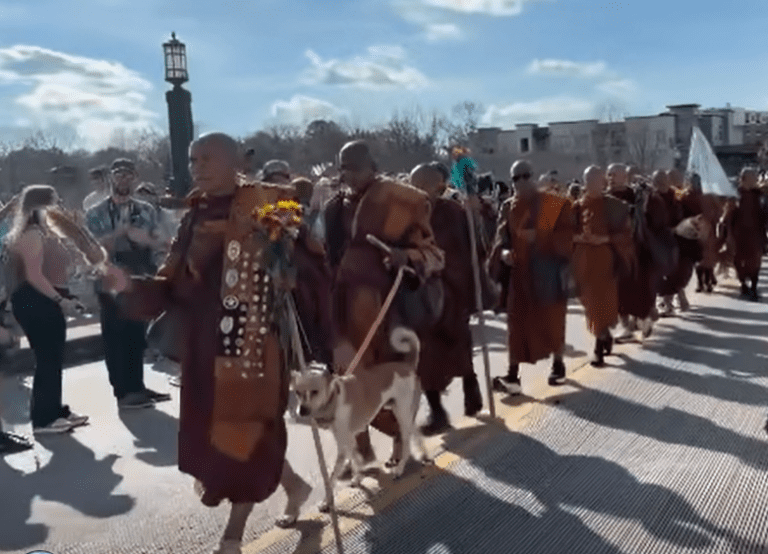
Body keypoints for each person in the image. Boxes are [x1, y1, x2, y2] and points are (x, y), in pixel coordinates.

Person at [107, 133, 311, 553]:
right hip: (203, 343)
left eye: (206, 159)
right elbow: (172, 278)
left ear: (235, 163)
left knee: (245, 429)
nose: (196, 167)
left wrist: (288, 271)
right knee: (224, 431)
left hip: (252, 341)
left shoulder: (268, 204)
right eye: (192, 159)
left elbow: (310, 263)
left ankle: (233, 534)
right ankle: (295, 486)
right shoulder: (194, 215)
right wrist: (130, 286)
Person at [324, 140, 445, 464]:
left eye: (355, 168)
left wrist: (405, 256)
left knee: (387, 383)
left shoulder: (403, 200)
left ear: (373, 167)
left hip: (388, 309)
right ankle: (360, 450)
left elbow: (434, 255)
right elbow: (327, 256)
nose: (348, 175)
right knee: (348, 380)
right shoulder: (333, 207)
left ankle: (401, 440)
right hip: (343, 307)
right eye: (343, 168)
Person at [3, 185, 91, 434]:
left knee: (53, 357)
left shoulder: (43, 232)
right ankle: (43, 419)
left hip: (43, 298)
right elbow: (33, 275)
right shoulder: (31, 234)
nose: (58, 207)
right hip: (33, 300)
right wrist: (59, 300)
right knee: (47, 358)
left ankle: (54, 409)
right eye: (54, 202)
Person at [85, 159, 171, 409]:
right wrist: (118, 234)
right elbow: (91, 249)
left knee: (136, 334)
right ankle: (123, 392)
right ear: (111, 177)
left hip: (140, 274)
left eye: (128, 175)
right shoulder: (96, 212)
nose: (123, 179)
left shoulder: (146, 210)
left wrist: (146, 240)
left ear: (135, 178)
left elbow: (160, 241)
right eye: (119, 174)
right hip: (110, 276)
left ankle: (137, 386)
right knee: (115, 335)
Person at [409, 162, 483, 435]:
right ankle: (437, 411)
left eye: (421, 185)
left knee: (458, 342)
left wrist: (475, 218)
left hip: (451, 289)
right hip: (420, 291)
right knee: (425, 354)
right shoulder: (407, 215)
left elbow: (469, 250)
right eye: (412, 184)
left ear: (437, 186)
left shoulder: (452, 212)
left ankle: (470, 382)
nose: (415, 190)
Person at [489, 160, 575, 393]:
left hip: (549, 272)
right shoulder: (509, 206)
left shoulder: (552, 204)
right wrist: (504, 253)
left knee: (552, 320)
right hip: (520, 274)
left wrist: (539, 237)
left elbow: (568, 236)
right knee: (517, 326)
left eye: (525, 176)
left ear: (534, 176)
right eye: (515, 178)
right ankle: (512, 376)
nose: (521, 182)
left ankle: (558, 365)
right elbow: (501, 238)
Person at [572, 166, 634, 367]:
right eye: (589, 181)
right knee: (589, 304)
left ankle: (598, 348)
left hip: (606, 261)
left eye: (596, 181)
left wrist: (604, 239)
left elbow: (626, 235)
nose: (593, 185)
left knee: (602, 302)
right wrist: (579, 237)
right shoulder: (577, 207)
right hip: (582, 263)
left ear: (603, 182)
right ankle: (604, 333)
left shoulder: (615, 206)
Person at [726, 167, 767, 300]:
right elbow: (728, 216)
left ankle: (754, 288)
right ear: (744, 179)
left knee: (755, 262)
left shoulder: (760, 195)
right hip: (739, 235)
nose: (755, 180)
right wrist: (728, 234)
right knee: (738, 262)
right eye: (752, 178)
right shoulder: (735, 196)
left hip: (756, 234)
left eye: (755, 178)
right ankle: (743, 283)